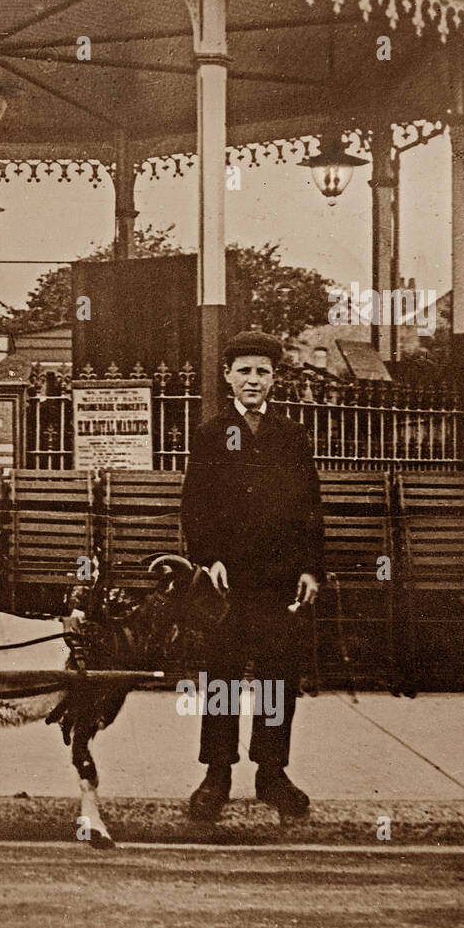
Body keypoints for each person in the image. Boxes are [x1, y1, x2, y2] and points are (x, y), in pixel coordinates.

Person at [180, 331, 324, 822]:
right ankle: (217, 773)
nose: (254, 380)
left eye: (263, 372)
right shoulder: (210, 433)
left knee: (277, 681)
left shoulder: (292, 435)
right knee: (221, 677)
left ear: (274, 378)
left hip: (280, 580)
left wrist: (310, 568)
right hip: (228, 583)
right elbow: (194, 507)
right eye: (244, 371)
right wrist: (210, 557)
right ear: (228, 376)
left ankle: (271, 772)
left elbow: (310, 508)